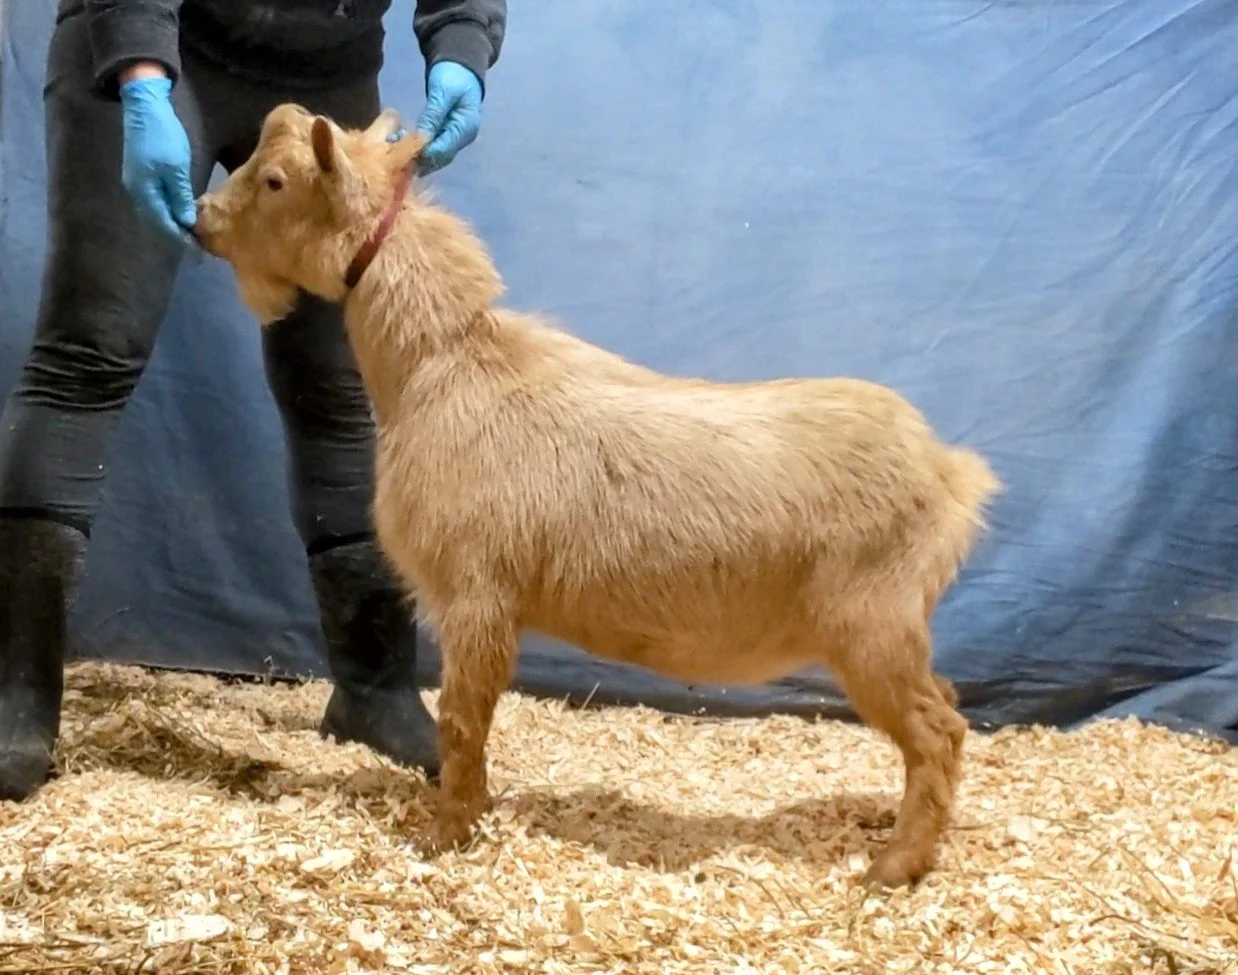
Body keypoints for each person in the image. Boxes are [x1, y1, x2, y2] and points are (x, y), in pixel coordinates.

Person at [0, 0, 507, 802]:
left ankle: (374, 692)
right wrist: (141, 79)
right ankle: (14, 703)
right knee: (88, 352)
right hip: (166, 42)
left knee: (337, 381)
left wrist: (461, 44)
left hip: (325, 67)